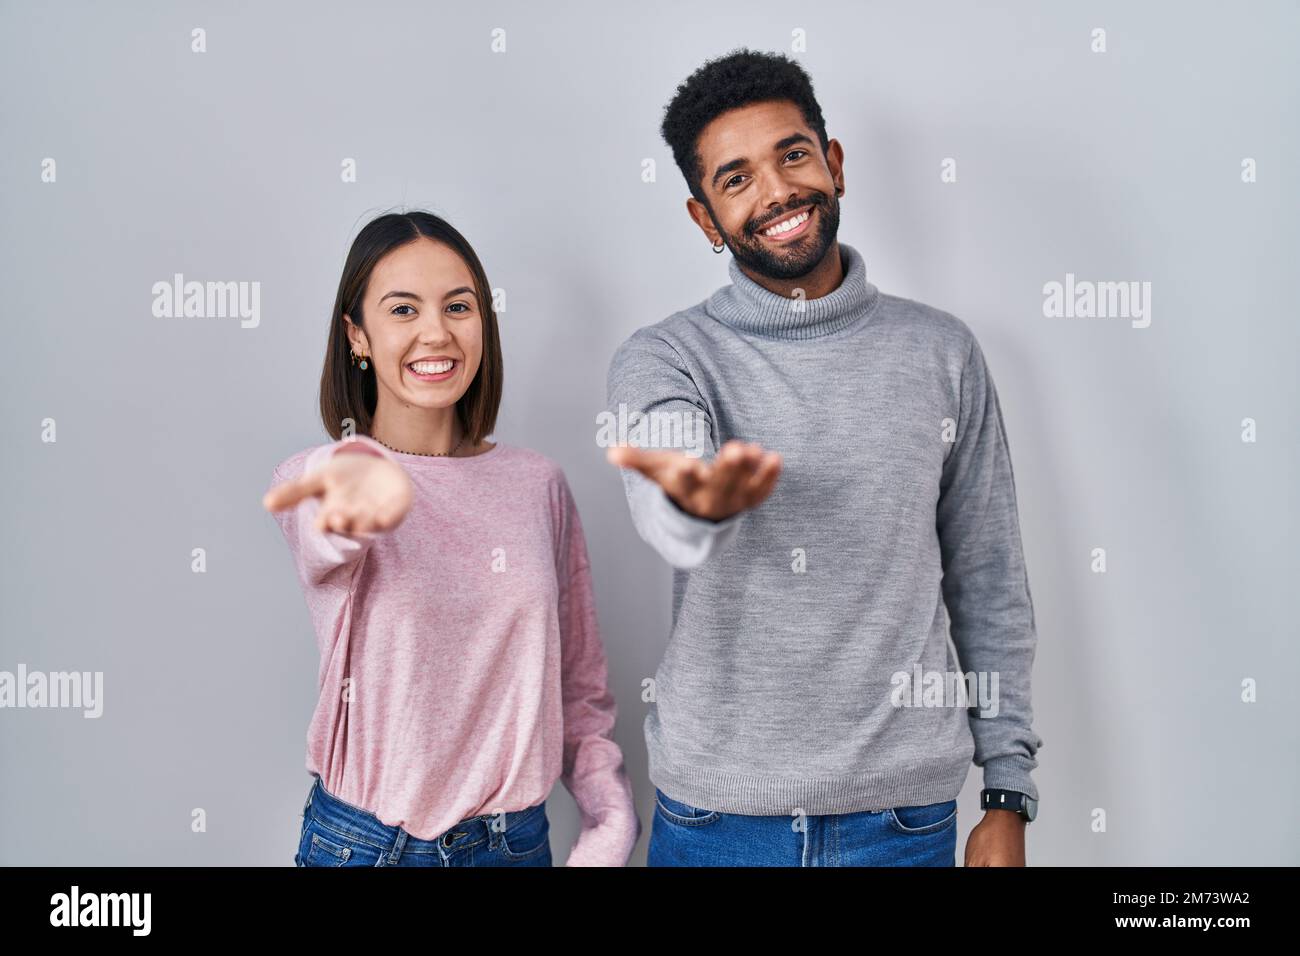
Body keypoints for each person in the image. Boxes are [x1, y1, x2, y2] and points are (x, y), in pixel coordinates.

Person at [605, 49, 1043, 866]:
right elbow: (669, 493)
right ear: (705, 219)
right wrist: (697, 499)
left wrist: (1007, 790)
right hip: (714, 827)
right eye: (736, 180)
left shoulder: (942, 352)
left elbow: (988, 577)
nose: (776, 192)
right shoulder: (666, 357)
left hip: (904, 824)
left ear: (834, 165)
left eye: (793, 155)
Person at [265, 210, 638, 867]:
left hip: (514, 847)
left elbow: (579, 692)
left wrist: (609, 821)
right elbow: (328, 519)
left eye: (458, 307)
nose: (436, 332)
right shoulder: (320, 478)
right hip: (367, 846)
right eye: (402, 310)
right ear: (358, 336)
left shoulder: (537, 486)